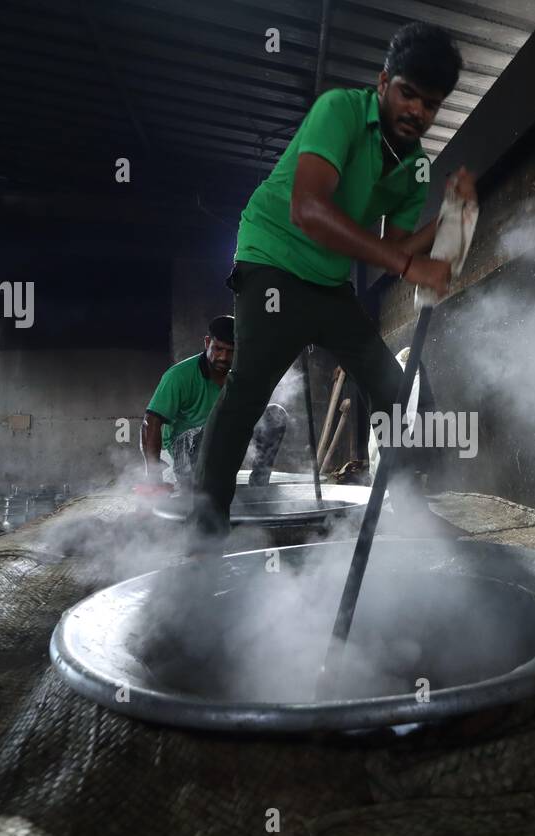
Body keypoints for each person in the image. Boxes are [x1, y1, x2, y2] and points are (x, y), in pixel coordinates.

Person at [191, 21, 476, 543]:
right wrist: (413, 266)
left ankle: (410, 512)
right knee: (248, 388)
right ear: (384, 81)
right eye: (408, 93)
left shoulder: (415, 168)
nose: (417, 111)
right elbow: (308, 209)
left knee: (392, 388)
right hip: (272, 258)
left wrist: (449, 220)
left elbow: (396, 250)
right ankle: (204, 528)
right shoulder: (340, 111)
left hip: (327, 282)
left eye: (431, 104)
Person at [142, 314, 287, 492]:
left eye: (231, 351)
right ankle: (194, 481)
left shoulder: (242, 375)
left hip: (217, 443)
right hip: (180, 447)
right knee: (206, 431)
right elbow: (151, 422)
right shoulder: (179, 376)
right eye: (218, 349)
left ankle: (259, 483)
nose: (223, 357)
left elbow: (249, 415)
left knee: (274, 414)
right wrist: (154, 476)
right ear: (207, 342)